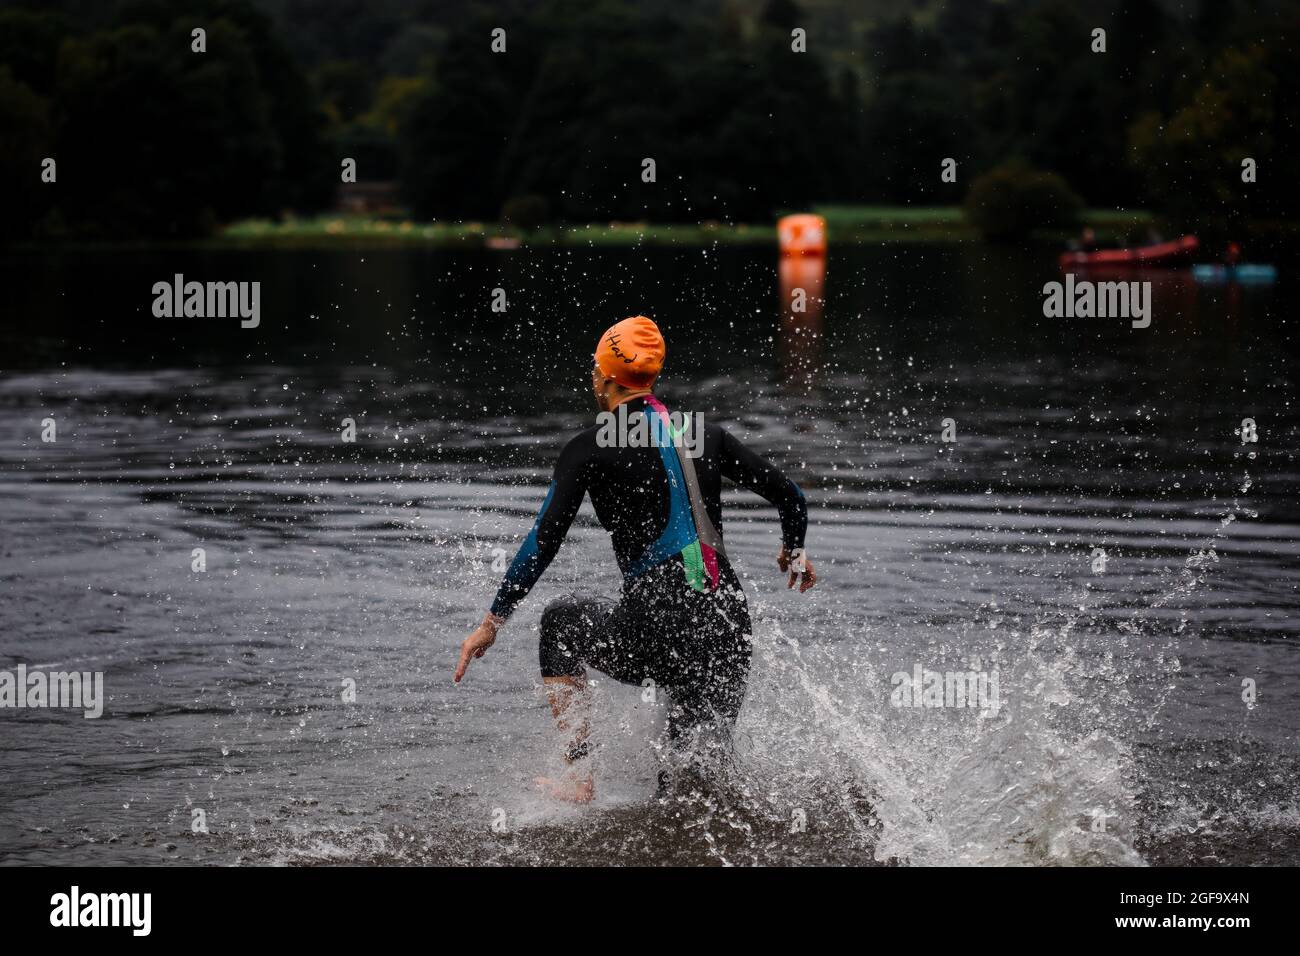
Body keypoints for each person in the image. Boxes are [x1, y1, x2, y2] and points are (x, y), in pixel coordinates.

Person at [453, 315, 815, 802]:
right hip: (727, 620)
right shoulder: (706, 433)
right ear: (652, 377)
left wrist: (493, 621)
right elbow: (791, 497)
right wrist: (793, 552)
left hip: (658, 618)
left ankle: (579, 775)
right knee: (692, 789)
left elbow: (544, 540)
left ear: (605, 377)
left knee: (560, 622)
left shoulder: (589, 446)